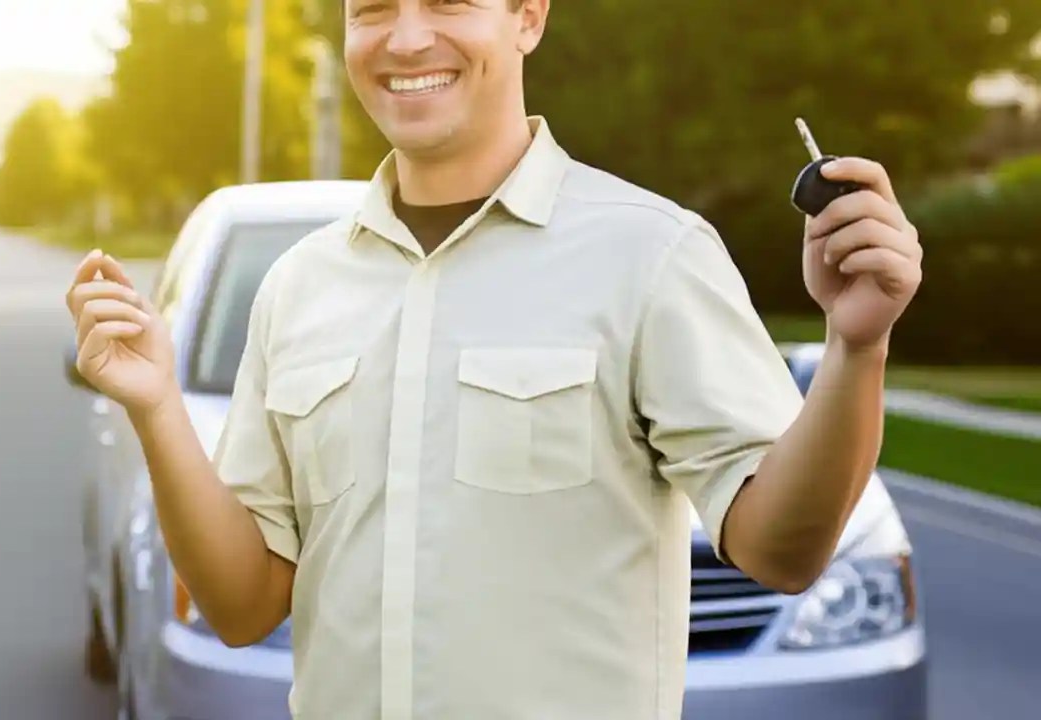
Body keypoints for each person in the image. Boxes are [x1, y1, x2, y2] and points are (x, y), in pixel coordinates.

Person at [64, 0, 924, 717]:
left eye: (446, 1)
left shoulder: (652, 254)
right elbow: (243, 605)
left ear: (527, 15)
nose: (404, 39)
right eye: (372, 10)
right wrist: (158, 405)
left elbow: (785, 552)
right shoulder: (297, 287)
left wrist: (858, 347)